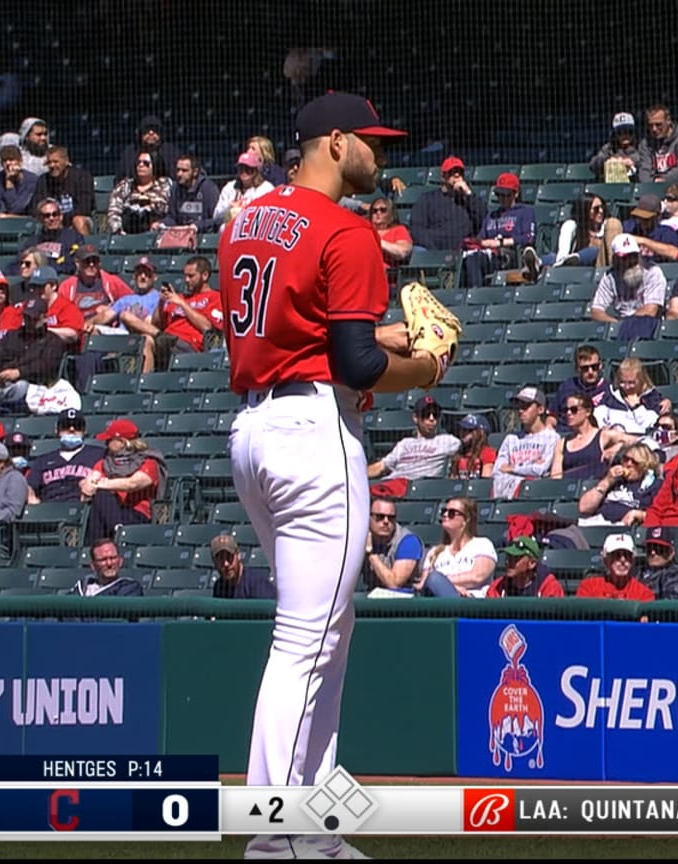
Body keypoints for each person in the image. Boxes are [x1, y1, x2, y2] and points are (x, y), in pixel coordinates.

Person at [218, 91, 439, 857]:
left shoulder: (247, 219)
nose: (381, 154)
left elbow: (301, 329)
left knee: (326, 632)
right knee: (305, 639)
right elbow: (357, 366)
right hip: (313, 434)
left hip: (254, 428)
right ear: (335, 142)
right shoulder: (345, 229)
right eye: (371, 141)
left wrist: (377, 335)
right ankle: (271, 832)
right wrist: (427, 365)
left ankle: (312, 830)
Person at [415, 496, 497, 598]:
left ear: (466, 519)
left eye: (451, 513)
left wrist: (443, 582)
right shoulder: (434, 552)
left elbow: (477, 576)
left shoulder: (482, 544)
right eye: (444, 511)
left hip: (472, 603)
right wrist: (452, 587)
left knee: (434, 578)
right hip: (441, 606)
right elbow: (424, 584)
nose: (445, 515)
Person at [575, 533, 657, 600]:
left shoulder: (644, 593)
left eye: (627, 555)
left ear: (633, 560)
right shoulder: (588, 587)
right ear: (606, 560)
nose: (622, 560)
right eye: (616, 555)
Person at [484, 535, 565, 598]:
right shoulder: (498, 586)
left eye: (515, 558)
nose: (508, 562)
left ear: (532, 563)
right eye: (508, 557)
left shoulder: (549, 586)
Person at [209, 534, 277, 599]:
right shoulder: (219, 587)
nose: (226, 564)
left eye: (229, 557)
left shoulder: (257, 583)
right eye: (221, 559)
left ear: (238, 555)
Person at [70, 539, 145, 597]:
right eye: (103, 560)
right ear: (93, 565)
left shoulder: (130, 588)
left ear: (120, 561)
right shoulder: (81, 588)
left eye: (113, 558)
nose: (109, 563)